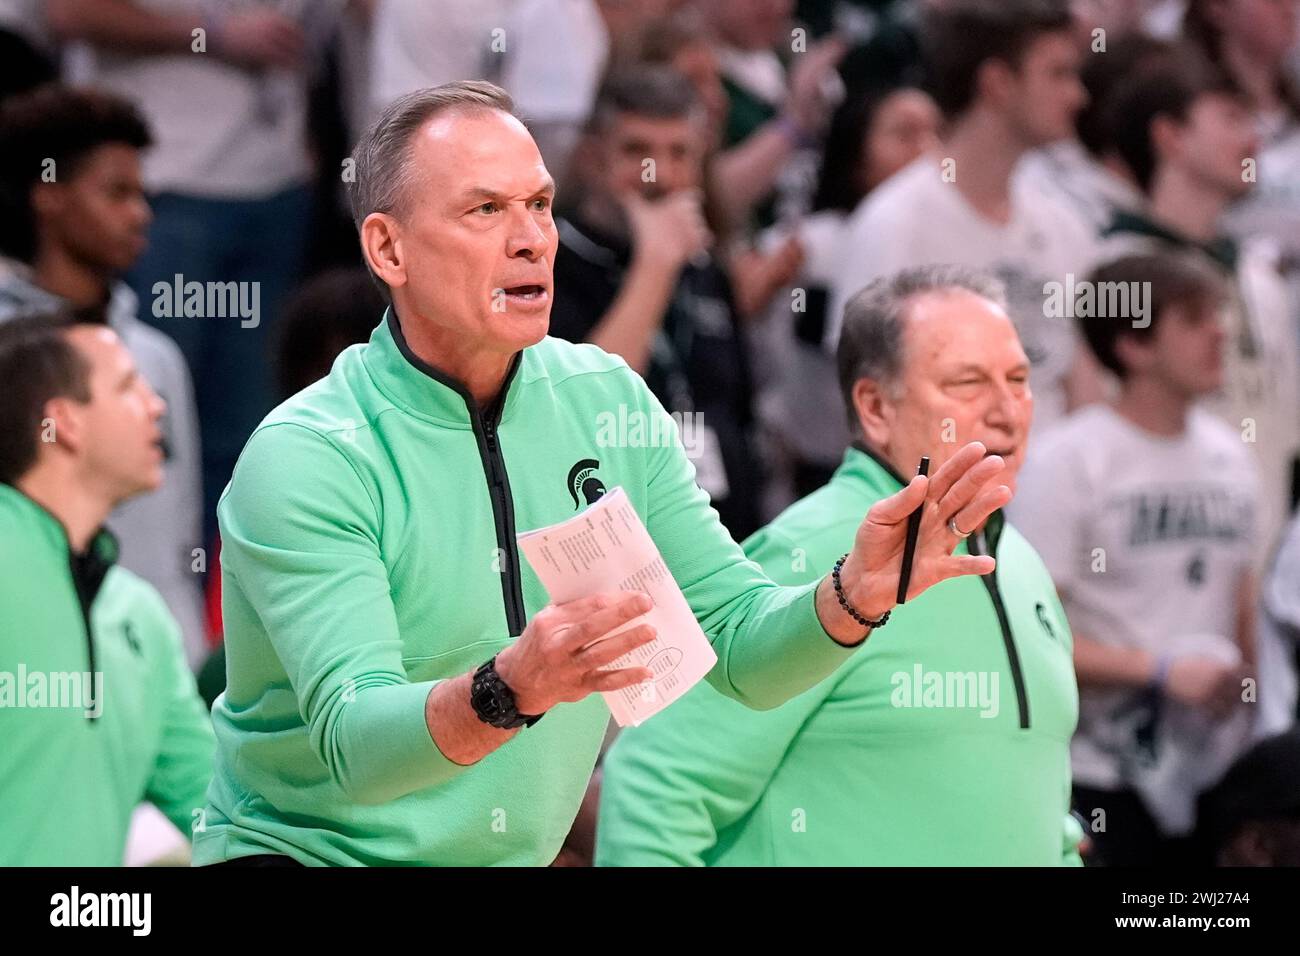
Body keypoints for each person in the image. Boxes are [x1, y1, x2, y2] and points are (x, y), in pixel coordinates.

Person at [194, 80, 1011, 867]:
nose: (531, 239)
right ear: (387, 247)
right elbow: (358, 747)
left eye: (540, 205)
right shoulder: (312, 453)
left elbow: (735, 649)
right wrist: (511, 685)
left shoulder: (604, 399)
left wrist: (853, 594)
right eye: (486, 210)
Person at [596, 265, 1081, 866]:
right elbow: (655, 785)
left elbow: (1030, 807)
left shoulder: (1019, 559)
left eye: (1019, 379)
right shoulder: (813, 548)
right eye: (967, 383)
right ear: (875, 408)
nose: (1009, 411)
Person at [1013, 253, 1260, 865]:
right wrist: (1157, 669)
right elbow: (1028, 634)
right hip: (1098, 773)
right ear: (1133, 345)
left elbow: (1241, 599)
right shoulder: (1068, 461)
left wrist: (1246, 695)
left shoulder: (1231, 455)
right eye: (1194, 319)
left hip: (1210, 771)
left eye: (1219, 314)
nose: (1219, 332)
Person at [0, 84, 207, 666]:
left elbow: (181, 536)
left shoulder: (156, 356)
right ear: (50, 196)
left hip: (151, 660)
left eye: (141, 194)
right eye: (117, 193)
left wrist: (185, 653)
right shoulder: (4, 350)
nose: (140, 214)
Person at [0, 312, 215, 866]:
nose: (156, 403)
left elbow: (219, 810)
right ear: (64, 423)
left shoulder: (139, 615)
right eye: (126, 386)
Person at [828, 0, 1098, 436]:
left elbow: (1083, 385)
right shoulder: (896, 225)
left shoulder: (1064, 225)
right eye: (1058, 74)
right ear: (997, 83)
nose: (1077, 95)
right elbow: (866, 407)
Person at [1098, 49, 1299, 565]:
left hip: (1262, 545)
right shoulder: (1112, 267)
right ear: (1169, 136)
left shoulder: (1259, 276)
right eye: (1231, 117)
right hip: (1152, 543)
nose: (1252, 137)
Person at [549, 66, 764, 538]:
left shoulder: (705, 267)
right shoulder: (548, 264)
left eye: (679, 154)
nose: (659, 174)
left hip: (723, 534)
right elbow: (582, 409)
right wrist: (655, 267)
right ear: (591, 157)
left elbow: (739, 410)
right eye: (636, 150)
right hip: (614, 540)